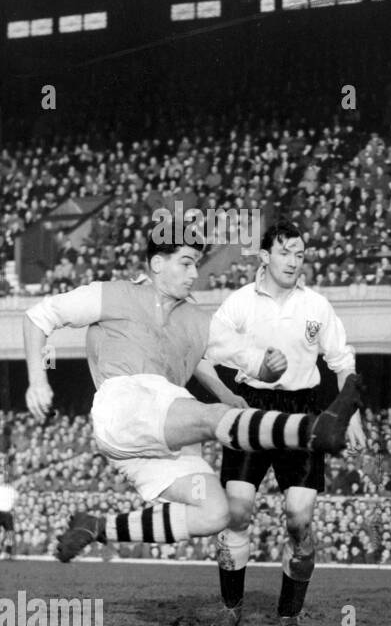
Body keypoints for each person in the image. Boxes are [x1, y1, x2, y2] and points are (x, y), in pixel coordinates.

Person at [21, 232, 362, 566]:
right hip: (123, 405)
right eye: (185, 264)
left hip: (158, 434)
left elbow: (255, 363)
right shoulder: (111, 294)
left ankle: (97, 527)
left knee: (215, 513)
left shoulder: (199, 321)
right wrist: (38, 381)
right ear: (157, 263)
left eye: (196, 264)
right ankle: (314, 430)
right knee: (211, 416)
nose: (194, 275)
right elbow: (39, 317)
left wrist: (272, 367)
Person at [203, 224, 366, 626]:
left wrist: (353, 414)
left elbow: (342, 362)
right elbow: (209, 350)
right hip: (251, 410)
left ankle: (289, 616)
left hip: (302, 413)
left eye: (300, 253)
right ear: (264, 256)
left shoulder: (317, 306)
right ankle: (230, 608)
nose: (294, 260)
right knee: (236, 511)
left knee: (299, 519)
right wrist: (233, 390)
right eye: (285, 252)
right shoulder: (239, 303)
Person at [0, 471, 16, 559]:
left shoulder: (10, 489)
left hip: (7, 513)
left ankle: (8, 552)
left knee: (10, 533)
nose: (0, 479)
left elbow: (15, 500)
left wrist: (13, 509)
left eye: (2, 477)